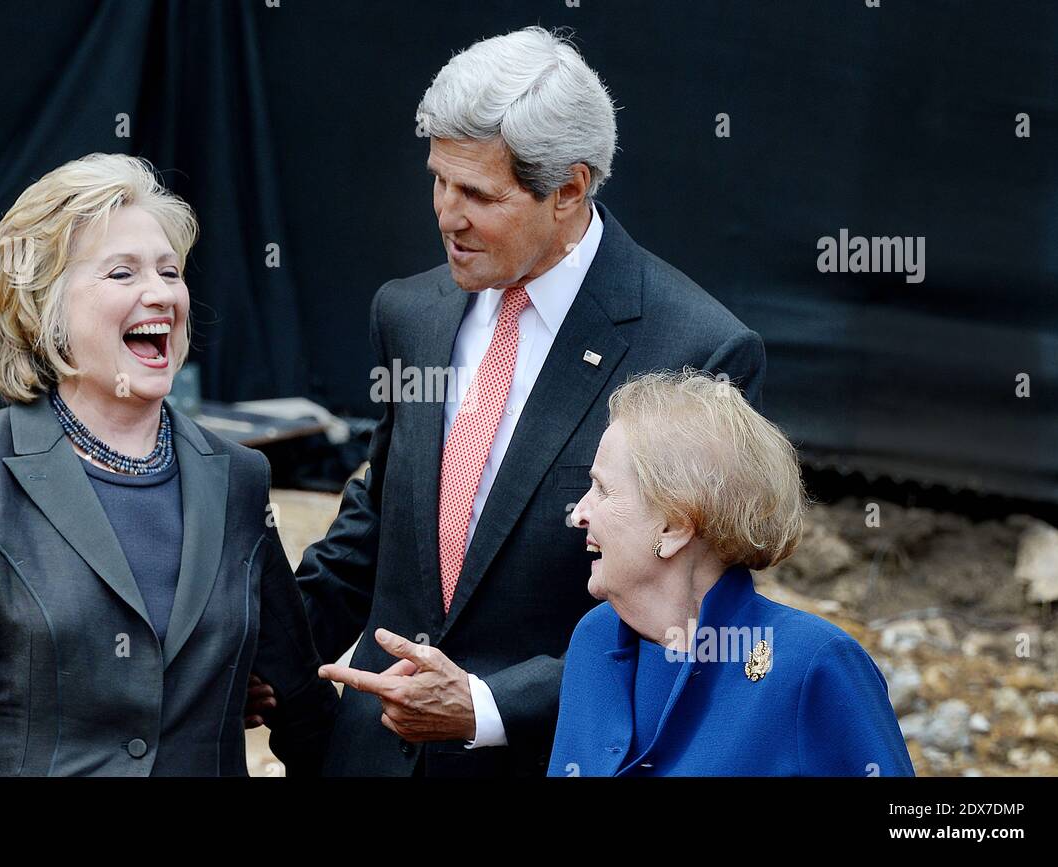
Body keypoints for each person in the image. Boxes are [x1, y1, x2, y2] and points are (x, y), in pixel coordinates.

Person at [284, 27, 767, 777]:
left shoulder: (697, 353)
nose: (448, 213)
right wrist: (267, 655)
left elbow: (689, 623)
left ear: (569, 189)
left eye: (478, 193)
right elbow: (379, 527)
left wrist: (486, 706)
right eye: (439, 179)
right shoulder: (410, 312)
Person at [0, 153, 335, 776]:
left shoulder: (237, 478)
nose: (160, 293)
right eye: (121, 273)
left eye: (170, 271)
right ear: (44, 304)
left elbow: (302, 704)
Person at [550, 369, 914, 776]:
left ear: (673, 527)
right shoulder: (594, 639)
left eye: (602, 489)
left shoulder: (812, 663)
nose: (579, 513)